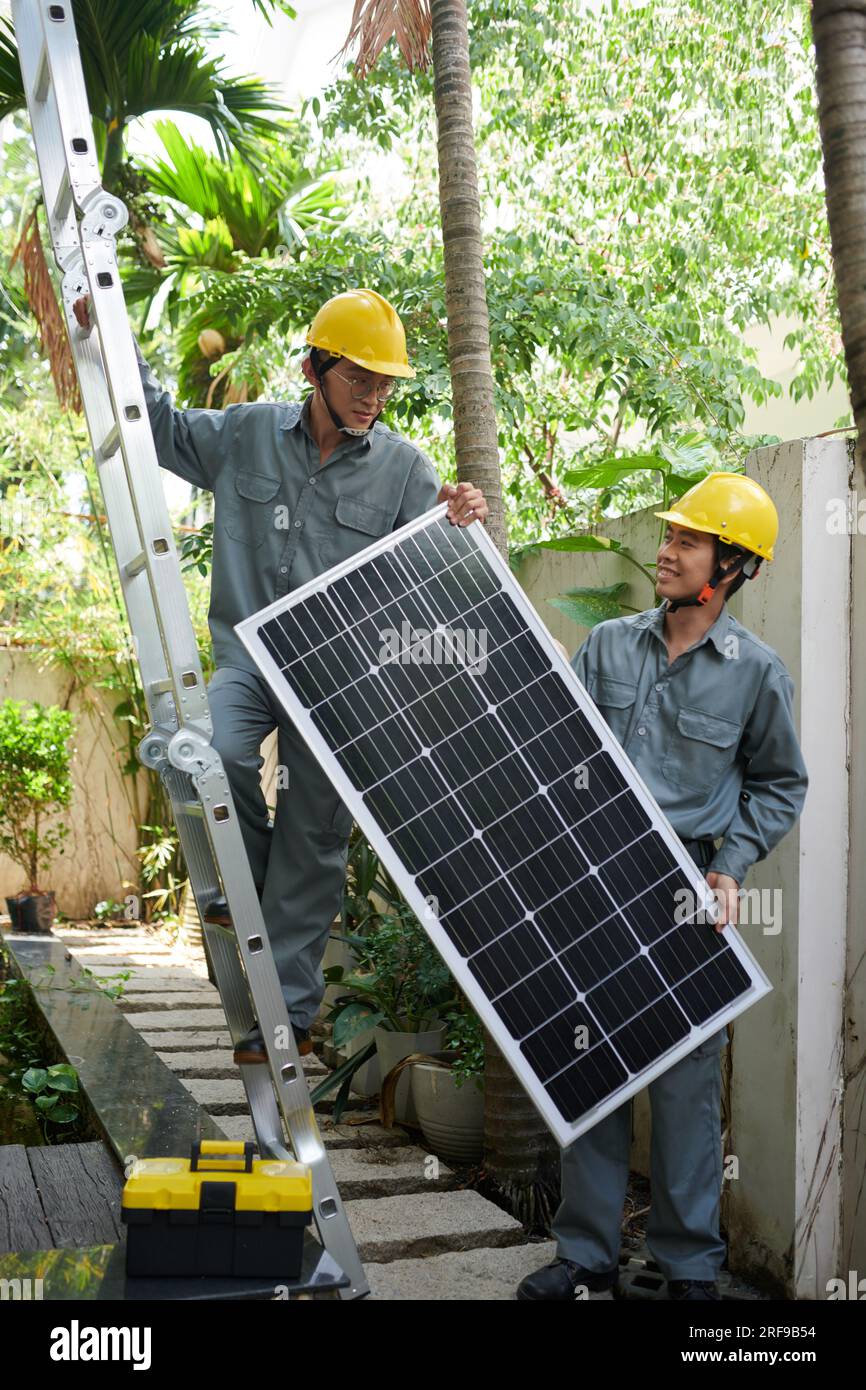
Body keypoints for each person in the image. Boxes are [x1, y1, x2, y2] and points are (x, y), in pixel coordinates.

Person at [73, 287, 488, 1062]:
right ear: (314, 368)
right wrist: (111, 338)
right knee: (214, 751)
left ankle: (289, 1017)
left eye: (385, 381)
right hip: (250, 660)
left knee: (315, 836)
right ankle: (244, 889)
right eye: (358, 376)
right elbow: (155, 426)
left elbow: (438, 572)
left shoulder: (404, 471)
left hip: (343, 681)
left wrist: (458, 515)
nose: (373, 395)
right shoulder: (249, 432)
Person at [517, 471, 808, 1302]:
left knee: (685, 1085)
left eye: (687, 541)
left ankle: (688, 1268)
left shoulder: (757, 673)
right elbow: (557, 747)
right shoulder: (609, 645)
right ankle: (585, 1256)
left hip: (686, 879)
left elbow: (781, 783)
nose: (666, 551)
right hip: (596, 874)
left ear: (732, 567)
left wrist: (731, 864)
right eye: (670, 536)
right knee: (591, 1061)